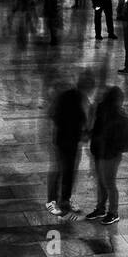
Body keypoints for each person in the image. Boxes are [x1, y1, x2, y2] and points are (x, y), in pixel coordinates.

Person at [46, 76, 93, 218]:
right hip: (64, 139)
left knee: (69, 171)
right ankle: (52, 201)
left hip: (72, 140)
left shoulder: (83, 99)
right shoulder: (68, 97)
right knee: (60, 169)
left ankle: (65, 199)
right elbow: (53, 114)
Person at [86, 84, 128, 225]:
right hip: (103, 152)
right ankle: (102, 209)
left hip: (109, 154)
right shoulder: (107, 111)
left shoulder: (114, 114)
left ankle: (112, 212)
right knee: (103, 182)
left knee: (108, 183)